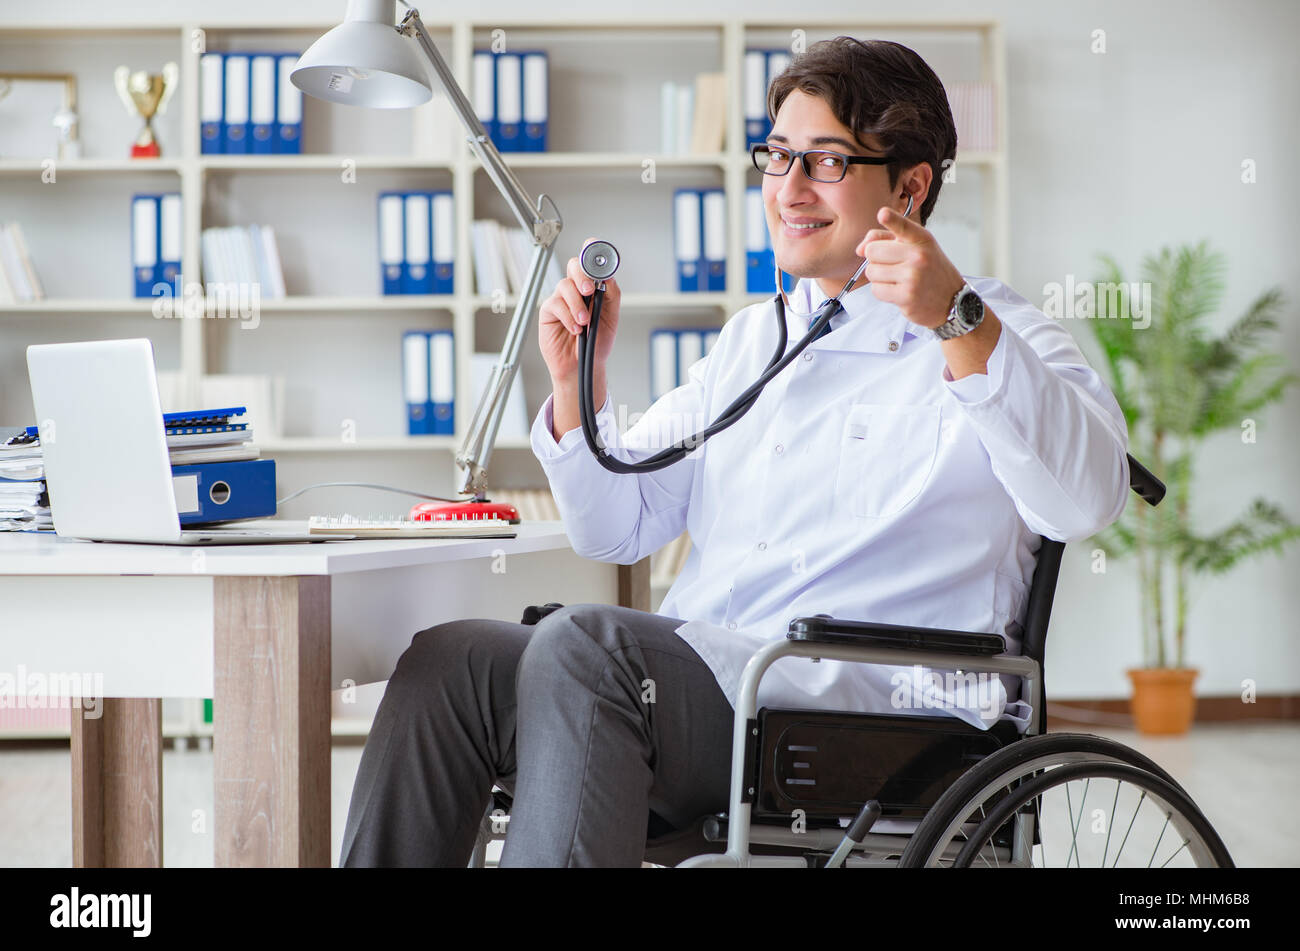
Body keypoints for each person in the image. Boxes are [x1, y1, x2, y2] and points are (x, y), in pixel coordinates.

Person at [339, 35, 1129, 868]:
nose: (789, 188)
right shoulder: (755, 340)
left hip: (872, 715)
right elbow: (615, 528)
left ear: (910, 185)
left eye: (826, 162)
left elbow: (1087, 500)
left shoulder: (1000, 328)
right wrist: (577, 384)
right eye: (777, 156)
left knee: (587, 648)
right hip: (720, 688)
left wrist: (954, 317)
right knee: (449, 662)